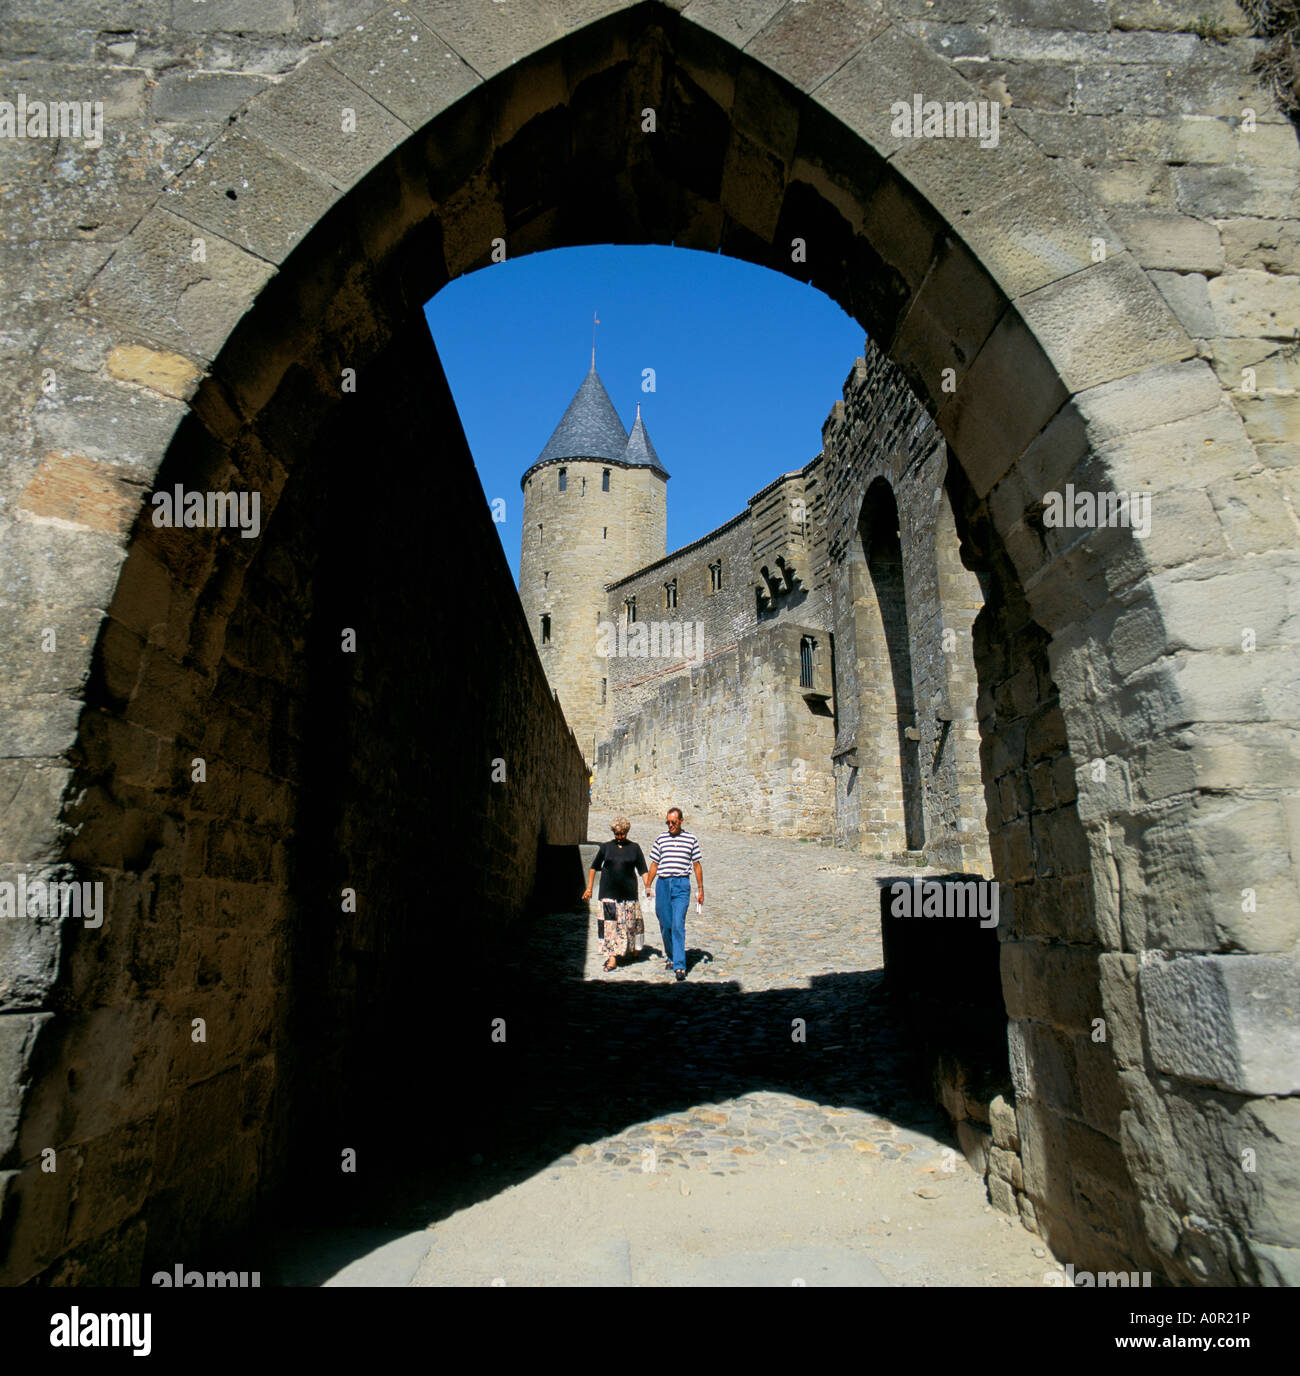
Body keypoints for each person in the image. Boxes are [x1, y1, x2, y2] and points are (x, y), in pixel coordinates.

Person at [644, 807, 703, 982]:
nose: (670, 825)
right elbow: (654, 864)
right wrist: (648, 885)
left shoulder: (691, 839)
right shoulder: (661, 839)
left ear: (681, 821)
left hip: (681, 885)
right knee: (665, 924)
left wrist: (701, 889)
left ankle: (679, 965)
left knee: (678, 924)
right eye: (668, 823)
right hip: (663, 884)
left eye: (673, 822)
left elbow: (697, 865)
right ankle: (670, 955)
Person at [582, 816, 647, 972]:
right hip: (608, 894)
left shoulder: (634, 848)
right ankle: (612, 959)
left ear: (627, 831)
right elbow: (593, 868)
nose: (620, 836)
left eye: (623, 833)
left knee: (631, 925)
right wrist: (589, 888)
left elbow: (643, 870)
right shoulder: (606, 848)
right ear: (613, 832)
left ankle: (633, 949)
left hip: (629, 895)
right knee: (610, 927)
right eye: (617, 834)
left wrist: (649, 887)